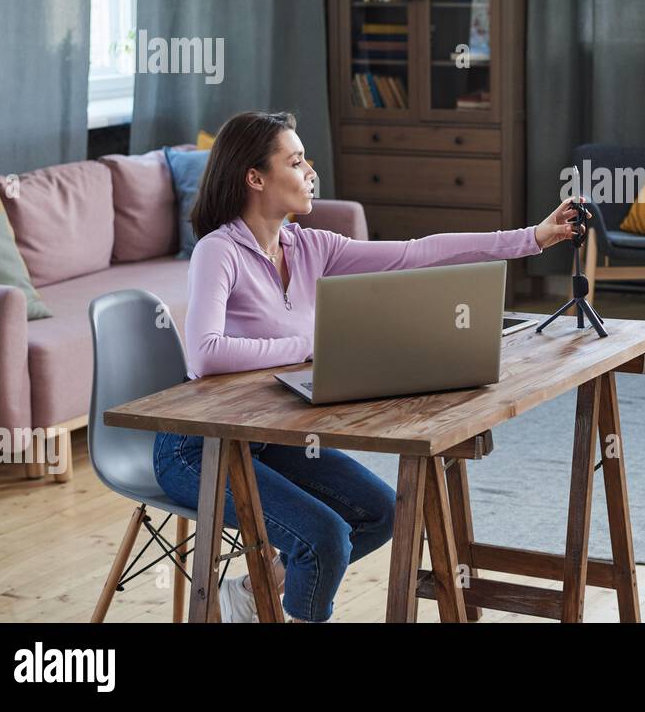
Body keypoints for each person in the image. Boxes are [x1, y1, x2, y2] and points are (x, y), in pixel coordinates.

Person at [154, 110, 585, 622]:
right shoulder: (217, 250)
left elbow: (416, 254)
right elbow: (204, 353)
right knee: (325, 537)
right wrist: (307, 346)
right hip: (198, 448)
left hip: (269, 439)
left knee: (384, 512)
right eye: (295, 162)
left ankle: (258, 591)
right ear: (255, 177)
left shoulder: (311, 246)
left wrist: (531, 238)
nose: (310, 172)